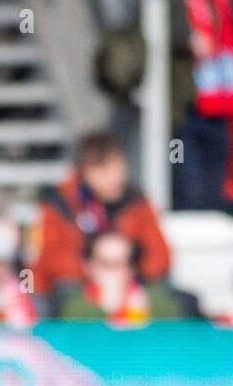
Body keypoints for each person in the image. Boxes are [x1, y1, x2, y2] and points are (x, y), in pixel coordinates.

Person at [32, 131, 171, 311]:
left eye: (116, 169)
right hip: (78, 286)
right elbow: (49, 261)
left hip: (129, 282)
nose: (111, 179)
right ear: (84, 172)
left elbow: (160, 255)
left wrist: (126, 270)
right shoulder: (60, 204)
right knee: (68, 293)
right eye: (102, 171)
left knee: (168, 297)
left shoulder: (137, 203)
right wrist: (98, 271)